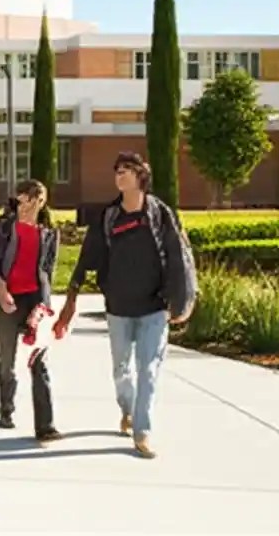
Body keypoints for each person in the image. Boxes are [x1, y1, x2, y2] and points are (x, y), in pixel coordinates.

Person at [54, 152, 197, 459]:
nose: (120, 175)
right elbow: (86, 258)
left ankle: (142, 432)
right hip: (118, 306)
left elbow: (177, 258)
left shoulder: (159, 214)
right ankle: (128, 409)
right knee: (121, 370)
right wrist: (71, 299)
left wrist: (182, 299)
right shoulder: (108, 217)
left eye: (126, 171)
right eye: (117, 171)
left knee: (148, 369)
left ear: (140, 176)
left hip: (154, 307)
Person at [0, 179, 62, 443]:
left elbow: (49, 271)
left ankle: (45, 426)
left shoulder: (48, 232)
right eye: (21, 200)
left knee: (39, 360)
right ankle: (6, 410)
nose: (25, 206)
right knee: (8, 358)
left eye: (31, 200)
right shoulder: (1, 228)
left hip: (35, 301)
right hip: (7, 299)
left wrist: (46, 306)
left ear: (41, 201)